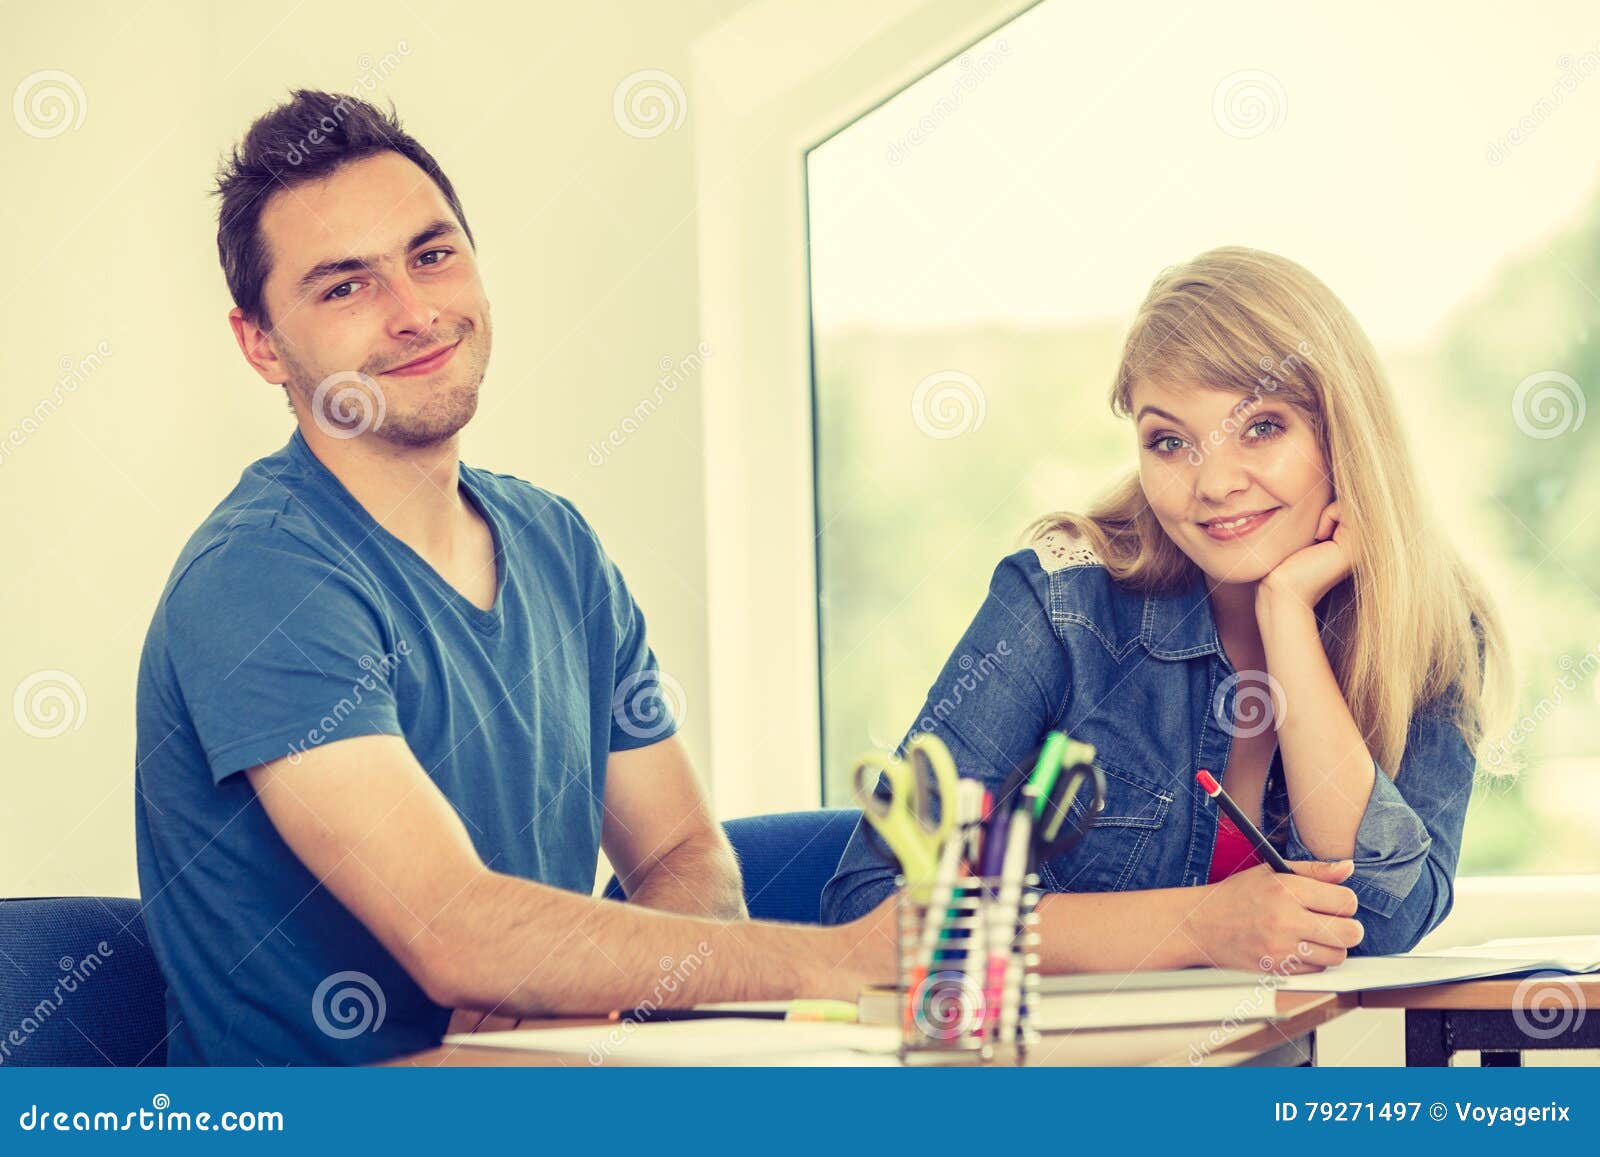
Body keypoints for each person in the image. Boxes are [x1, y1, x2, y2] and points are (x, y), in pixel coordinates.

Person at [134, 90, 888, 1066]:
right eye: (346, 287)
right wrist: (834, 960)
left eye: (432, 255)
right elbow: (454, 931)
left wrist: (589, 997)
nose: (415, 313)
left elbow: (683, 854)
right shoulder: (259, 577)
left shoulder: (555, 541)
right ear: (261, 344)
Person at [822, 246, 1510, 975]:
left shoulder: (1430, 625)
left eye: (1262, 427)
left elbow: (1383, 918)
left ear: (1343, 432)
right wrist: (1197, 925)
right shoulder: (1062, 604)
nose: (1212, 483)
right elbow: (866, 912)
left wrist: (1287, 616)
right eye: (1170, 442)